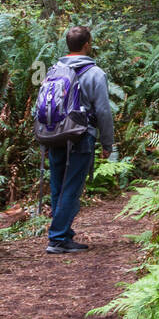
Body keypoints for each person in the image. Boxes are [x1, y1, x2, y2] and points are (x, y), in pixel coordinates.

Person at [44, 26, 116, 254]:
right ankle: (57, 239)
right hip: (80, 135)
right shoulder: (95, 73)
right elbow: (103, 111)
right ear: (87, 45)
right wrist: (107, 143)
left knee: (58, 186)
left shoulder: (54, 69)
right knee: (72, 188)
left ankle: (62, 234)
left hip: (55, 134)